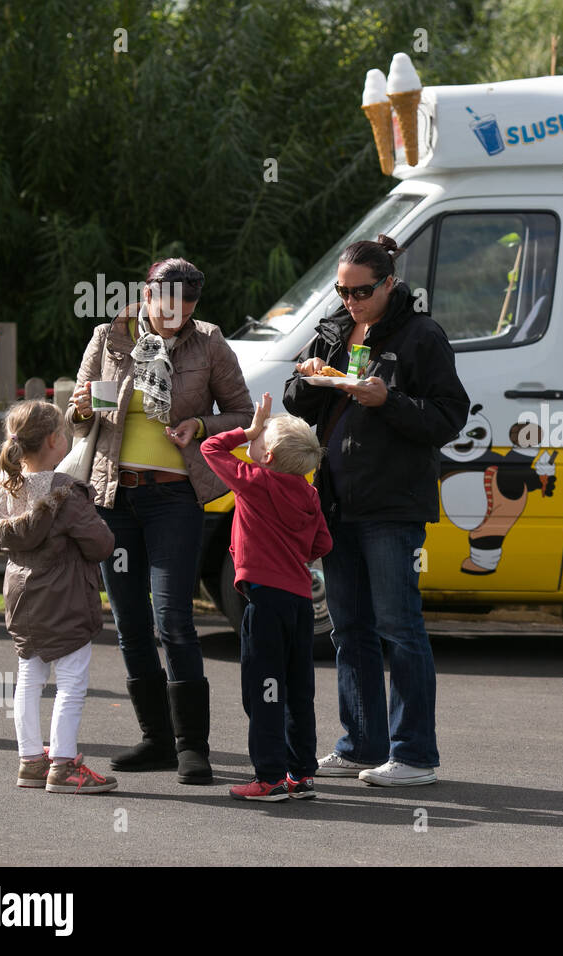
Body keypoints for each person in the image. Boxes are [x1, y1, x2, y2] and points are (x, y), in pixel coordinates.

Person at [284, 234, 469, 787]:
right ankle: (360, 744)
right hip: (337, 500)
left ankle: (414, 756)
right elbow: (298, 401)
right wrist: (311, 374)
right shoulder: (337, 330)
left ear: (389, 284)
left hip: (393, 504)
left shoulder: (422, 335)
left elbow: (448, 416)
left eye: (361, 291)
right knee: (349, 629)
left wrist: (388, 401)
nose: (350, 302)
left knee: (399, 628)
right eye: (342, 291)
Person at [69, 258, 253, 784]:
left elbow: (241, 414)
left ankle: (193, 747)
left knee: (174, 621)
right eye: (167, 305)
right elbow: (74, 415)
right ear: (146, 296)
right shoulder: (108, 336)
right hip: (115, 497)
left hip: (175, 498)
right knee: (129, 624)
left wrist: (199, 422)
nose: (176, 317)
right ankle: (156, 741)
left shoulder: (210, 342)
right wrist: (81, 407)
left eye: (187, 307)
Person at [0, 401, 118, 794]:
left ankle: (31, 760)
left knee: (29, 676)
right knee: (71, 680)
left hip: (21, 596)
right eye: (64, 432)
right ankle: (64, 765)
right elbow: (101, 543)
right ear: (54, 440)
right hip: (64, 597)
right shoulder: (62, 492)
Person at [201, 393, 332, 801]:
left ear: (269, 456)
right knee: (297, 689)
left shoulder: (254, 482)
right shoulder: (308, 494)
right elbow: (322, 543)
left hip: (265, 603)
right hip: (298, 603)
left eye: (259, 443)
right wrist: (291, 552)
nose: (251, 446)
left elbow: (210, 446)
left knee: (263, 689)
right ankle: (301, 773)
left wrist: (246, 428)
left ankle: (270, 776)